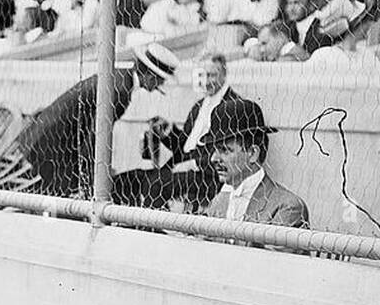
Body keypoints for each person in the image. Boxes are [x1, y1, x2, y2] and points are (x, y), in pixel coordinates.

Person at [18, 42, 180, 200]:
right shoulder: (120, 92)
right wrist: (93, 184)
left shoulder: (118, 77)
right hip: (53, 147)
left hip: (44, 137)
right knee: (59, 200)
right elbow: (95, 138)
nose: (160, 86)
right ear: (151, 77)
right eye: (161, 81)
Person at [121, 51, 238, 211]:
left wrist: (193, 163)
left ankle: (151, 223)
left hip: (207, 175)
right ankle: (131, 221)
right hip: (184, 168)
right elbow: (183, 146)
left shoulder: (232, 106)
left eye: (211, 75)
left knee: (157, 184)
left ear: (224, 75)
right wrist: (167, 131)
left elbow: (227, 152)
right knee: (130, 179)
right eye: (201, 75)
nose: (205, 81)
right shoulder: (200, 105)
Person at [202, 97, 310, 230]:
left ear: (253, 153)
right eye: (214, 150)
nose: (213, 158)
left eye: (224, 150)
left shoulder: (288, 208)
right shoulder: (218, 202)